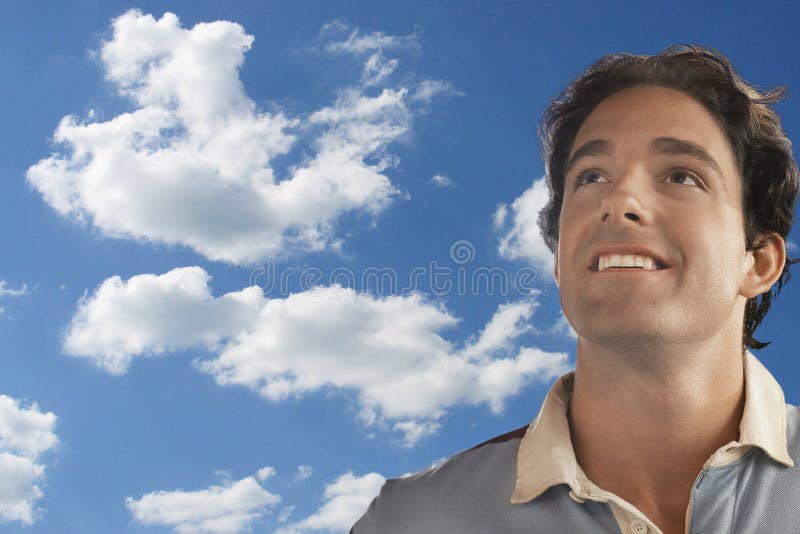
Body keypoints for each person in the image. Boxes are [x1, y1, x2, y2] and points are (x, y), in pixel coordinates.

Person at [350, 45, 800, 534]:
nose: (619, 200)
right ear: (561, 261)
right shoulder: (413, 521)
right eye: (591, 177)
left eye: (680, 175)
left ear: (758, 261)